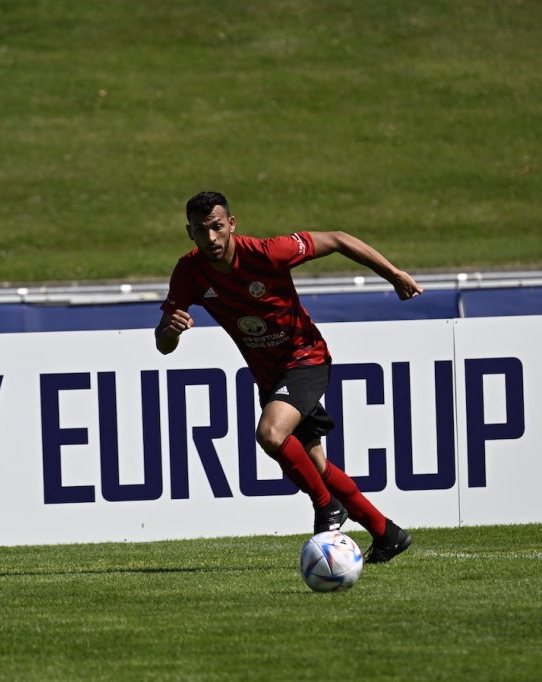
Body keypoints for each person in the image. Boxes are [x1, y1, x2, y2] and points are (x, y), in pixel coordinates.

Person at [155, 191, 423, 563]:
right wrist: (171, 329)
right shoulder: (189, 271)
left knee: (270, 433)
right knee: (315, 466)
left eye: (217, 227)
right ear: (190, 233)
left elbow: (339, 239)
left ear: (231, 224)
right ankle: (386, 532)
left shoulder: (266, 252)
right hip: (269, 376)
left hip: (305, 358)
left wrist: (393, 274)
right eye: (202, 231)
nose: (211, 238)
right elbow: (163, 345)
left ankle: (326, 507)